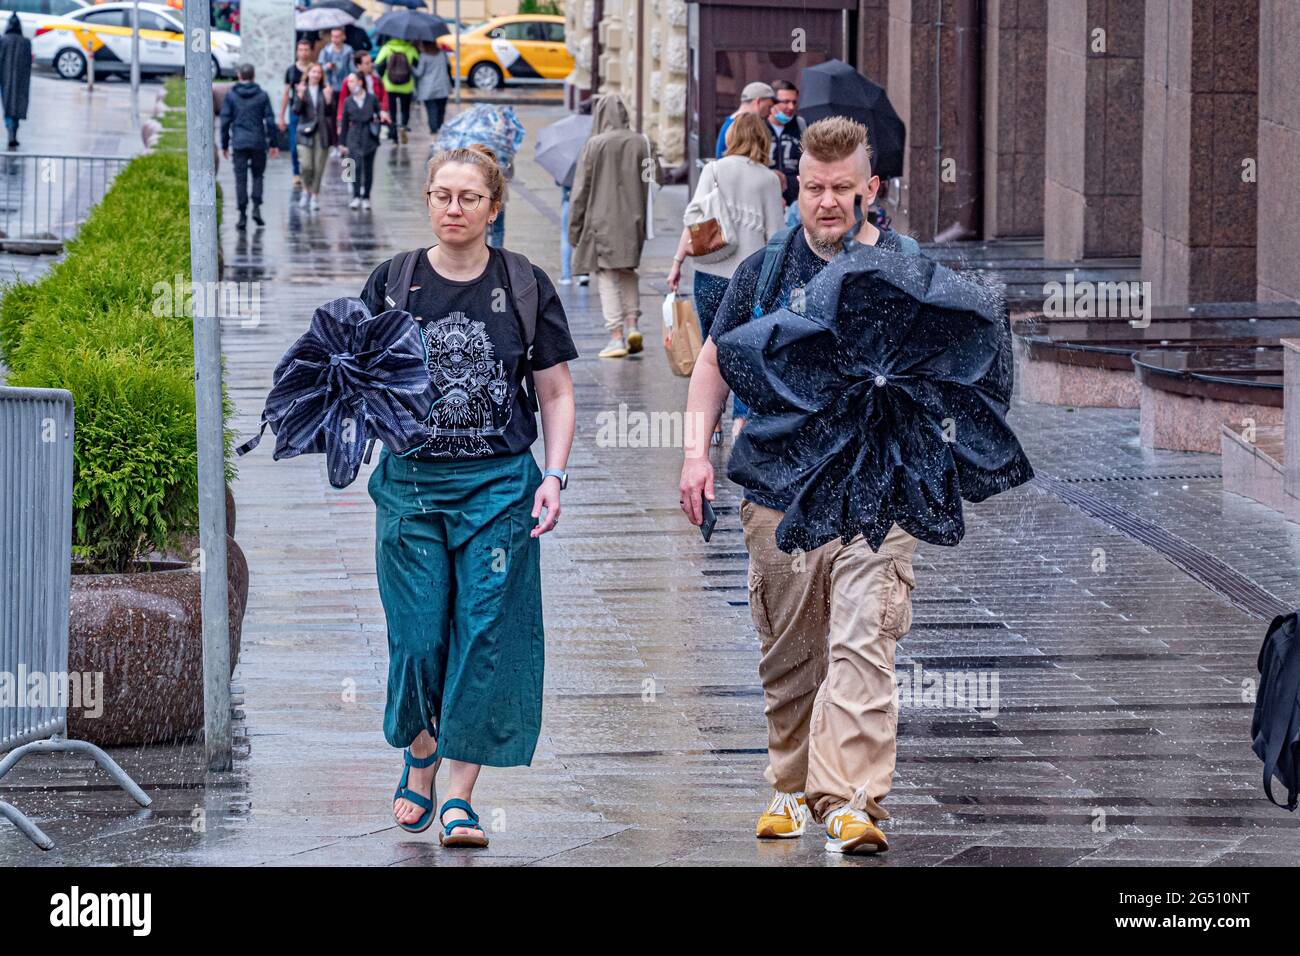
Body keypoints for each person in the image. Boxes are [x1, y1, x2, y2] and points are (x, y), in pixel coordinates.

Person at [678, 117, 924, 856]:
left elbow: (952, 368)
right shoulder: (762, 272)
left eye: (842, 190)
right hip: (778, 494)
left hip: (878, 489)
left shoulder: (907, 270)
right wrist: (696, 455)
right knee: (792, 655)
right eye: (814, 188)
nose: (826, 202)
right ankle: (788, 784)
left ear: (870, 189)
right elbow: (714, 364)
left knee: (864, 643)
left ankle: (850, 801)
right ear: (797, 187)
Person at [359, 143, 578, 848]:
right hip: (412, 488)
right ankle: (419, 751)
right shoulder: (392, 283)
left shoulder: (524, 283)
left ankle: (459, 794)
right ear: (426, 199)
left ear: (494, 206)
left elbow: (555, 390)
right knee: (419, 637)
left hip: (499, 489)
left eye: (468, 198)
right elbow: (360, 378)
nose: (453, 209)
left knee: (487, 636)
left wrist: (556, 474)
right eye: (441, 195)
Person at [667, 112, 784, 443]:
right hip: (750, 279)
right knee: (748, 347)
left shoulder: (714, 170)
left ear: (732, 137)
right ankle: (742, 420)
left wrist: (677, 263)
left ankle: (712, 422)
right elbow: (776, 238)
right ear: (763, 139)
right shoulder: (769, 180)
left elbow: (693, 220)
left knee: (711, 347)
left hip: (709, 272)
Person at [568, 93, 660, 359]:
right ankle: (633, 324)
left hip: (601, 221)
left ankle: (616, 336)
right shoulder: (643, 142)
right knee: (628, 270)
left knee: (607, 275)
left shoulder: (595, 145)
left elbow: (581, 190)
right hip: (634, 220)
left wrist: (574, 228)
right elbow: (655, 179)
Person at [220, 63, 279, 231]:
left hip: (239, 142)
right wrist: (273, 143)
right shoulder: (262, 95)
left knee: (240, 178)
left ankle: (242, 214)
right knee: (258, 175)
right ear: (253, 76)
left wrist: (224, 144)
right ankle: (257, 208)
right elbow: (270, 120)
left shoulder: (231, 96)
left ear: (239, 76)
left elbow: (225, 121)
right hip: (258, 142)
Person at [292, 62, 333, 212]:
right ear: (308, 73)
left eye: (319, 72)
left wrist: (329, 100)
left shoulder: (325, 90)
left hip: (321, 133)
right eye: (313, 72)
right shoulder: (302, 89)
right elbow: (296, 110)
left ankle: (314, 196)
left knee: (319, 166)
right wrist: (300, 96)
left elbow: (330, 113)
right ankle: (305, 190)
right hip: (304, 132)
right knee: (306, 165)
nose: (316, 75)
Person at [338, 72, 380, 210]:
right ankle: (356, 196)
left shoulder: (372, 98)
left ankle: (366, 196)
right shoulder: (348, 101)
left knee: (368, 168)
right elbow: (344, 123)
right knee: (354, 166)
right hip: (354, 135)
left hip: (369, 136)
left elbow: (378, 116)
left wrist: (379, 119)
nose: (350, 85)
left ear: (360, 82)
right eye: (348, 82)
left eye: (352, 81)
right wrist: (342, 143)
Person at [278, 38, 316, 188]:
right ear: (297, 51)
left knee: (310, 144)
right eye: (301, 50)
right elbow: (287, 93)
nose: (304, 53)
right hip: (295, 111)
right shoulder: (291, 70)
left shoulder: (314, 69)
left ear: (310, 51)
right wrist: (281, 115)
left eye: (306, 50)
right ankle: (296, 172)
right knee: (294, 144)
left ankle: (309, 172)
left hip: (311, 112)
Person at [769, 79, 805, 218]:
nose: (791, 107)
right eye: (785, 101)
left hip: (795, 202)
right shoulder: (759, 127)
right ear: (772, 102)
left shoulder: (800, 125)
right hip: (767, 199)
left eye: (794, 102)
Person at [375, 33, 419, 143]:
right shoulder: (410, 49)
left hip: (389, 85)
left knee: (392, 111)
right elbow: (417, 64)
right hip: (406, 85)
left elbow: (378, 64)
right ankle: (403, 127)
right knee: (405, 110)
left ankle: (393, 133)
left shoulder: (386, 48)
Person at [714, 81, 775, 160]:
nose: (770, 112)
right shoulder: (736, 127)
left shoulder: (731, 124)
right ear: (758, 102)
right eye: (769, 107)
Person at [336, 50, 390, 137]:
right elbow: (342, 102)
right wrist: (340, 122)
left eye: (370, 62)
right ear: (359, 65)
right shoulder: (349, 81)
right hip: (355, 120)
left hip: (373, 119)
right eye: (367, 63)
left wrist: (383, 110)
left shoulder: (376, 79)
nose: (370, 65)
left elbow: (384, 96)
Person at [0, 13, 31, 151]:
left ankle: (10, 132)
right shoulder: (25, 42)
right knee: (17, 107)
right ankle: (14, 133)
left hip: (5, 79)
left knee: (8, 106)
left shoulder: (3, 40)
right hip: (21, 79)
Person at [412, 40, 451, 135]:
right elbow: (448, 66)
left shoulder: (424, 56)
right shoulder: (442, 53)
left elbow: (419, 73)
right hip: (443, 86)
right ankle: (439, 127)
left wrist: (411, 67)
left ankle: (434, 131)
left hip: (428, 89)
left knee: (431, 111)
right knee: (441, 111)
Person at [318, 27, 356, 96]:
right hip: (329, 86)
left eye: (337, 36)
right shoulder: (326, 50)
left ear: (343, 37)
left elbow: (352, 68)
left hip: (345, 86)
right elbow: (319, 68)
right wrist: (327, 66)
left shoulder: (348, 51)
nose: (334, 39)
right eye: (333, 36)